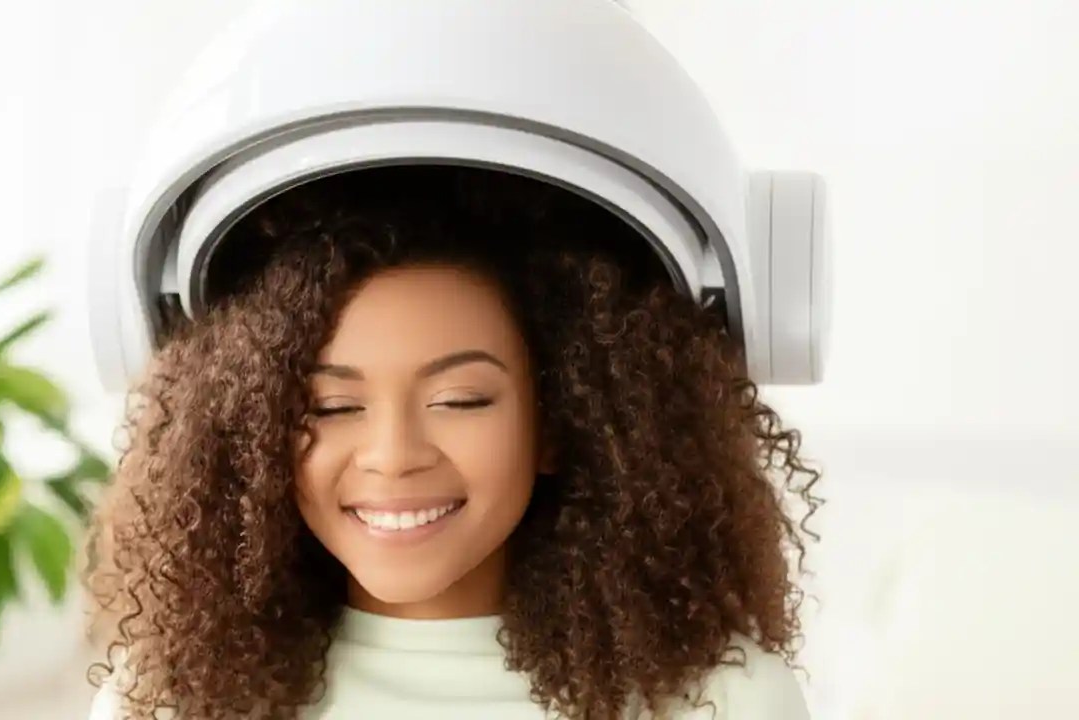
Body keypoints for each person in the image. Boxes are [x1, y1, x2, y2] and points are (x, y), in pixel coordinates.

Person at [85, 165, 821, 719]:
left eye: (459, 400)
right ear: (253, 438)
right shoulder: (167, 701)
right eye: (334, 405)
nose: (395, 452)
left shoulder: (718, 703)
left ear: (558, 426)